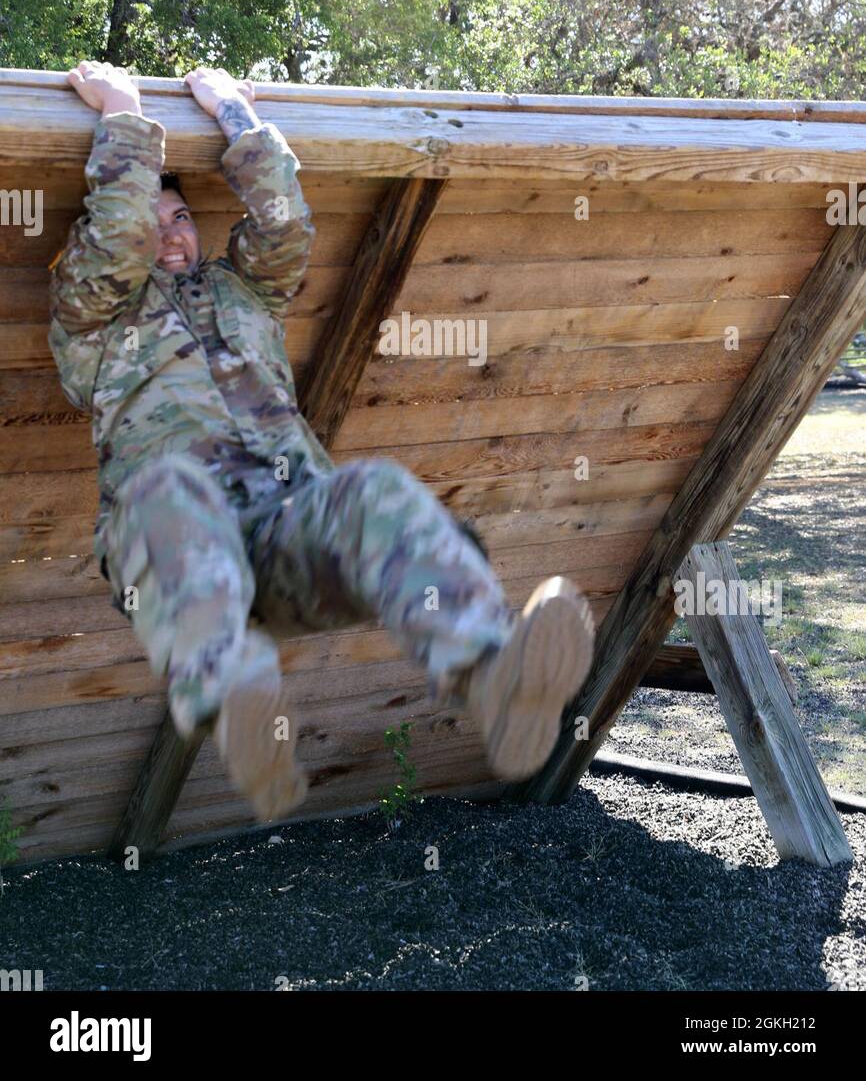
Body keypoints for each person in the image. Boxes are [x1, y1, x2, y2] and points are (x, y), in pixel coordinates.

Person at [48, 59, 595, 823]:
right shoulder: (90, 315)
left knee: (371, 489)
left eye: (179, 219)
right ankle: (232, 691)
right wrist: (126, 109)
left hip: (285, 538)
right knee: (168, 492)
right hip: (177, 554)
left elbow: (282, 221)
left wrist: (236, 110)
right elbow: (111, 241)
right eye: (152, 223)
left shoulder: (245, 290)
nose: (168, 238)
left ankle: (493, 672)